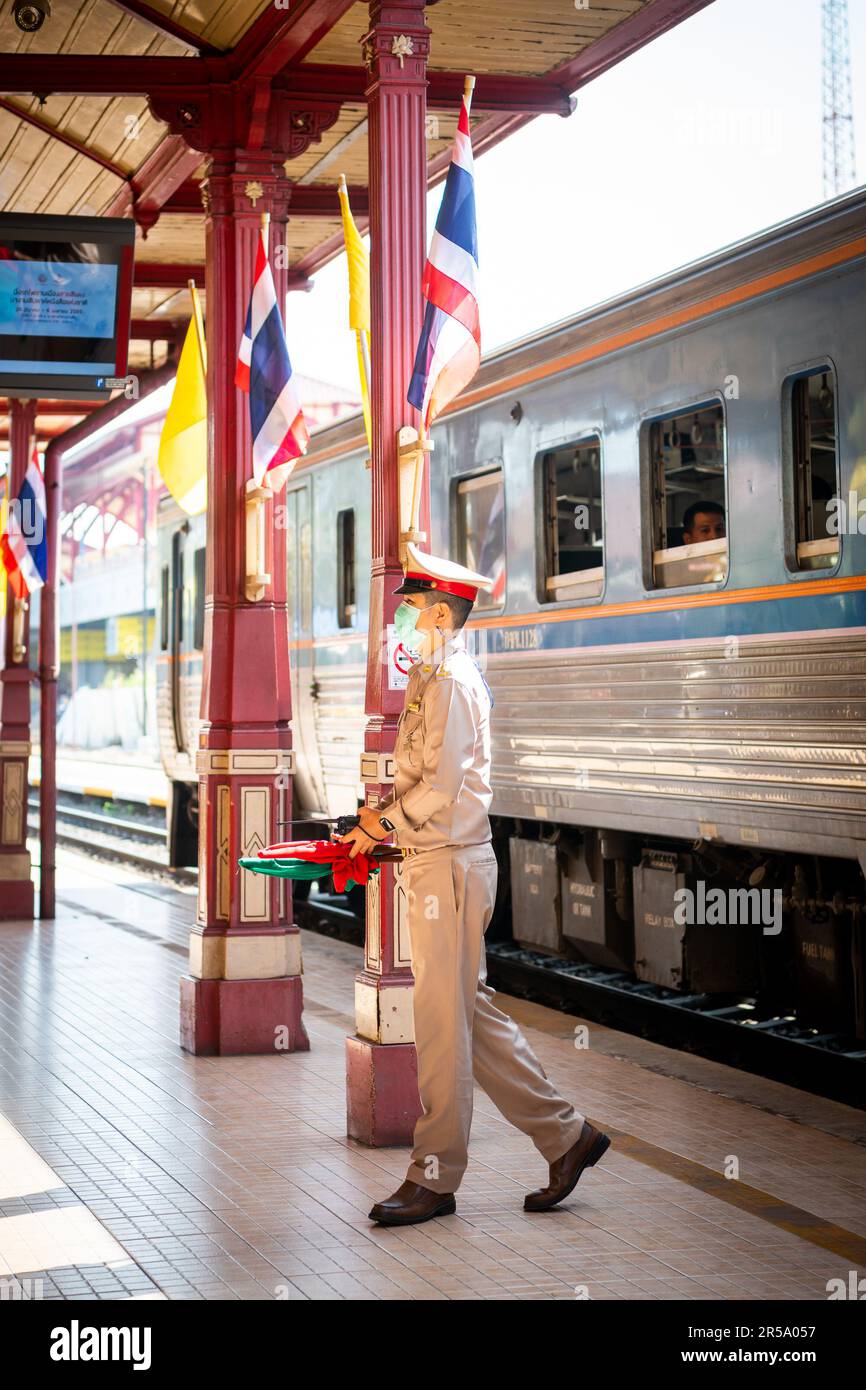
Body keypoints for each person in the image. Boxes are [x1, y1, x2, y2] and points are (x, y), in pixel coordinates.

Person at [339, 544, 611, 1227]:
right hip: (439, 859)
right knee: (471, 1018)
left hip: (449, 867)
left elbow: (442, 785)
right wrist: (375, 820)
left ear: (437, 613)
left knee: (440, 1029)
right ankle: (566, 1137)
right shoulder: (433, 676)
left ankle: (433, 1177)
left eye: (407, 609)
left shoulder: (453, 682)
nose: (398, 620)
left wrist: (382, 826)